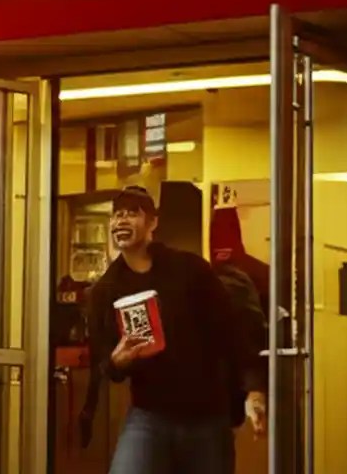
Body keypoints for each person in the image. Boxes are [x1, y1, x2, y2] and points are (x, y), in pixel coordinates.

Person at [87, 185, 267, 474]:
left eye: (132, 213)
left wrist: (254, 389)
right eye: (117, 215)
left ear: (152, 223)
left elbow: (233, 332)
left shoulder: (189, 269)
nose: (121, 220)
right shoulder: (105, 290)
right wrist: (117, 361)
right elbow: (105, 362)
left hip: (207, 414)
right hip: (149, 414)